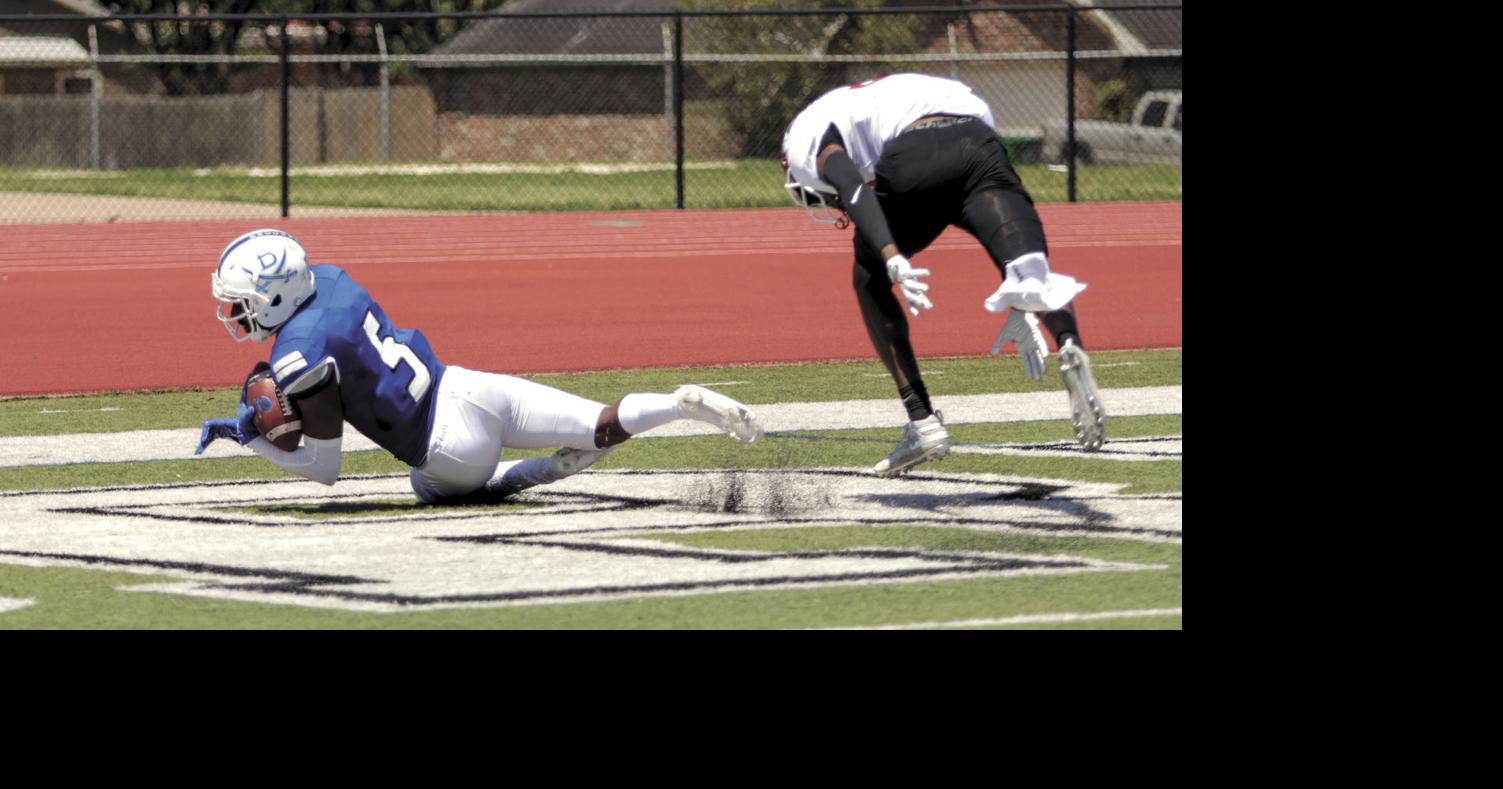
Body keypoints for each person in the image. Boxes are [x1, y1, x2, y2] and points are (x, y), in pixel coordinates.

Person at [194, 229, 763, 502]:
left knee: (438, 489)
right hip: (467, 388)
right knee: (602, 422)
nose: (236, 314)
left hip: (444, 452)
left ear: (275, 295)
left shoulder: (298, 353)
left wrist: (251, 438)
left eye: (241, 301)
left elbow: (323, 468)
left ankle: (540, 473)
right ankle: (676, 403)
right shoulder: (333, 279)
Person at [780, 73, 1106, 475]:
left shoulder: (802, 138)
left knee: (868, 277)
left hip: (916, 155)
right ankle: (1069, 341)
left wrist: (891, 255)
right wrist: (1021, 309)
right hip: (978, 137)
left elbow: (850, 184)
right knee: (1026, 266)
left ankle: (921, 421)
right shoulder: (868, 97)